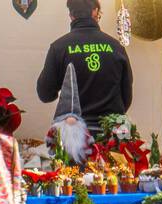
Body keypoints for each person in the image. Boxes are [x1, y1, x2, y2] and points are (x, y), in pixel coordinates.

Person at [37, 0, 132, 136]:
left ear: (71, 15)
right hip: (113, 135)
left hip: (74, 137)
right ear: (95, 11)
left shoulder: (59, 47)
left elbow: (45, 94)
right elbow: (126, 96)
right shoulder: (116, 47)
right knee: (113, 159)